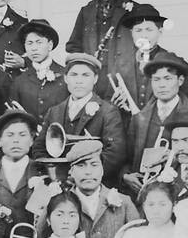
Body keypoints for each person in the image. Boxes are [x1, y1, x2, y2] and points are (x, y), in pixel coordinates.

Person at [34, 53, 127, 186]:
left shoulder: (108, 111)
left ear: (95, 79)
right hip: (59, 184)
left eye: (85, 75)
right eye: (74, 75)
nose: (79, 81)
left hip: (93, 185)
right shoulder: (54, 111)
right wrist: (52, 175)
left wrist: (85, 176)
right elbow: (39, 148)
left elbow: (115, 154)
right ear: (65, 78)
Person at [107, 3, 188, 116]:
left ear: (160, 32)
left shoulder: (175, 62)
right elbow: (108, 99)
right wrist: (115, 102)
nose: (144, 35)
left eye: (149, 30)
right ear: (131, 33)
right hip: (130, 129)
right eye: (138, 30)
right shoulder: (121, 63)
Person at [124, 51, 188, 194]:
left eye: (167, 78)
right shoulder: (139, 118)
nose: (162, 85)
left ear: (180, 81)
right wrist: (126, 176)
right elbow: (126, 157)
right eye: (156, 79)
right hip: (144, 193)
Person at [65, 0, 139, 83]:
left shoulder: (134, 10)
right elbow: (73, 46)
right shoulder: (87, 11)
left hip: (123, 80)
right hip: (93, 80)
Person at [9, 18, 68, 122]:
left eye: (39, 42)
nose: (34, 48)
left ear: (50, 45)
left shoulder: (66, 76)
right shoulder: (19, 81)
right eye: (29, 43)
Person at [0, 109, 42, 221]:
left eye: (22, 135)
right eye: (10, 135)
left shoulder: (42, 170)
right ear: (0, 140)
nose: (16, 140)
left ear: (31, 140)